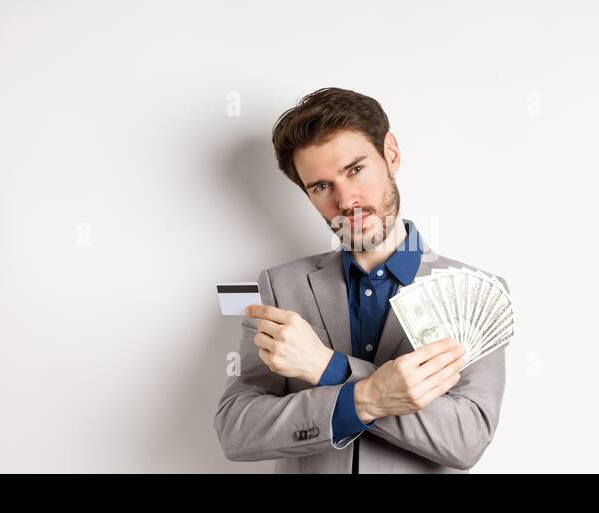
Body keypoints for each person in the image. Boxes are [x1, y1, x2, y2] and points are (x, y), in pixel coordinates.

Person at [214, 87, 507, 473]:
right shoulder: (275, 286)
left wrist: (329, 369)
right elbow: (236, 430)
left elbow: (467, 440)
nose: (347, 200)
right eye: (321, 186)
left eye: (355, 170)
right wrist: (366, 398)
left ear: (391, 154)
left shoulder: (477, 292)